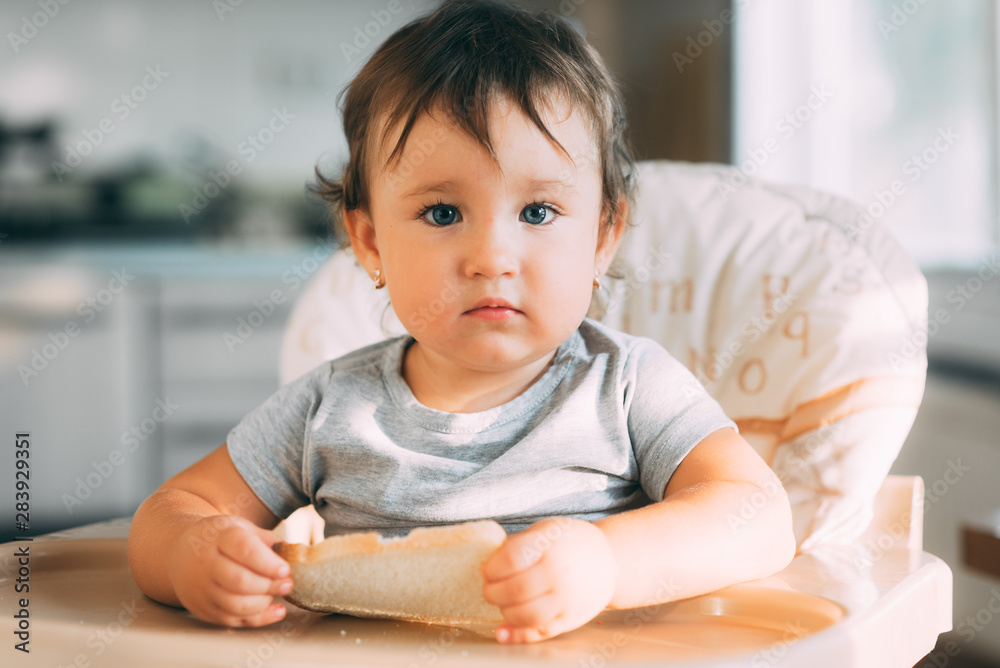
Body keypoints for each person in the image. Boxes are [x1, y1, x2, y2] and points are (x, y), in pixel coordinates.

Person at [128, 0, 795, 644]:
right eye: (443, 213)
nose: (491, 259)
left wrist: (607, 561)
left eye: (537, 212)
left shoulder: (626, 388)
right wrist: (195, 555)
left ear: (602, 237)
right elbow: (168, 513)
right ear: (370, 245)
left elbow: (757, 516)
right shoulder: (328, 407)